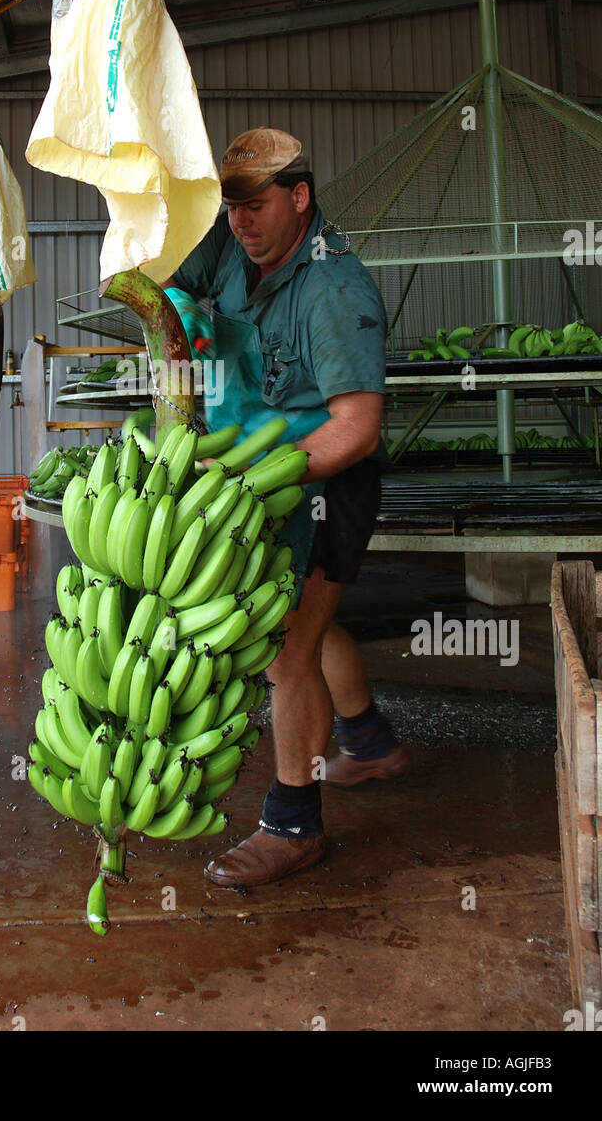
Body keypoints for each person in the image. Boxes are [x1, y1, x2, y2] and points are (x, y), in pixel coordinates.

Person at [165, 127, 408, 889]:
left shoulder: (335, 288)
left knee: (286, 651)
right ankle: (369, 743)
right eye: (231, 207)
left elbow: (357, 429)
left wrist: (257, 479)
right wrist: (177, 323)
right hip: (257, 463)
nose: (240, 222)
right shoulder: (232, 239)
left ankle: (293, 823)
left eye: (256, 206)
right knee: (312, 619)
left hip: (325, 481)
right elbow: (176, 282)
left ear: (299, 198)